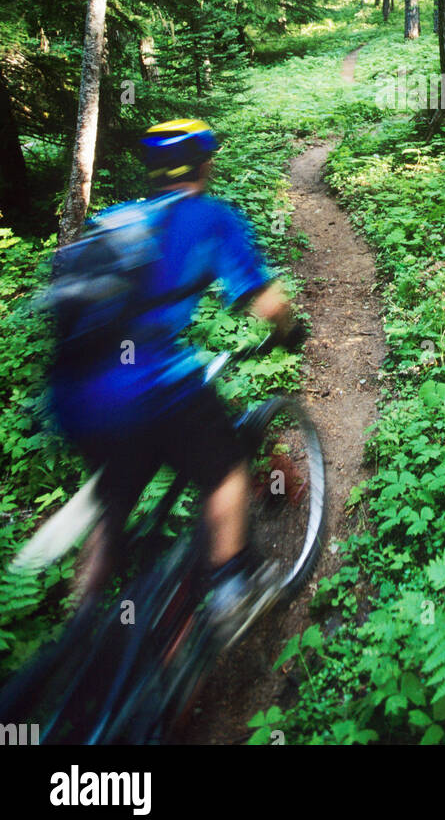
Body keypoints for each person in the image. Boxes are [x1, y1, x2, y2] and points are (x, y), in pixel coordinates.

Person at [48, 118, 306, 639]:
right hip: (150, 389)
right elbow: (268, 301)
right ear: (205, 164)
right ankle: (232, 586)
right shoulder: (210, 217)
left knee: (112, 502)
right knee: (227, 468)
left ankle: (77, 639)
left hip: (73, 399)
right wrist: (288, 331)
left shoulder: (115, 218)